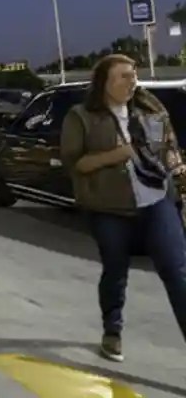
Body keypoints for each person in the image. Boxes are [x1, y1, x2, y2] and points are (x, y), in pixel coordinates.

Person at [59, 54, 186, 362]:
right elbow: (75, 164)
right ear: (104, 82)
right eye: (123, 77)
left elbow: (170, 153)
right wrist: (118, 154)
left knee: (178, 272)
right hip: (108, 208)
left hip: (156, 200)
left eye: (133, 75)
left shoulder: (150, 109)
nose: (132, 82)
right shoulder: (82, 116)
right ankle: (112, 330)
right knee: (116, 270)